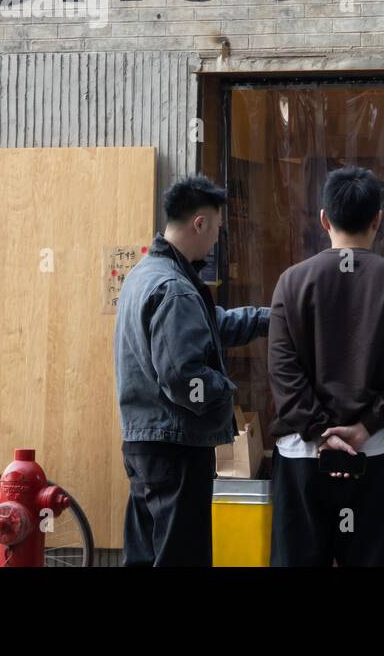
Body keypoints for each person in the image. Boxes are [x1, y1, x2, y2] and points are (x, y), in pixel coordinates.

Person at [268, 166, 384, 566]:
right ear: (378, 219)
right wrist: (367, 426)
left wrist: (319, 432)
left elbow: (282, 370)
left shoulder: (291, 283)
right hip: (375, 453)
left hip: (303, 456)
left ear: (324, 218)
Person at [114, 175, 270, 567]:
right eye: (216, 229)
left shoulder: (143, 275)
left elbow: (210, 326)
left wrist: (271, 318)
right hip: (177, 448)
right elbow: (185, 378)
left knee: (145, 555)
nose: (216, 240)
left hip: (145, 442)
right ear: (199, 223)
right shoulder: (176, 288)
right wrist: (226, 391)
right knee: (181, 556)